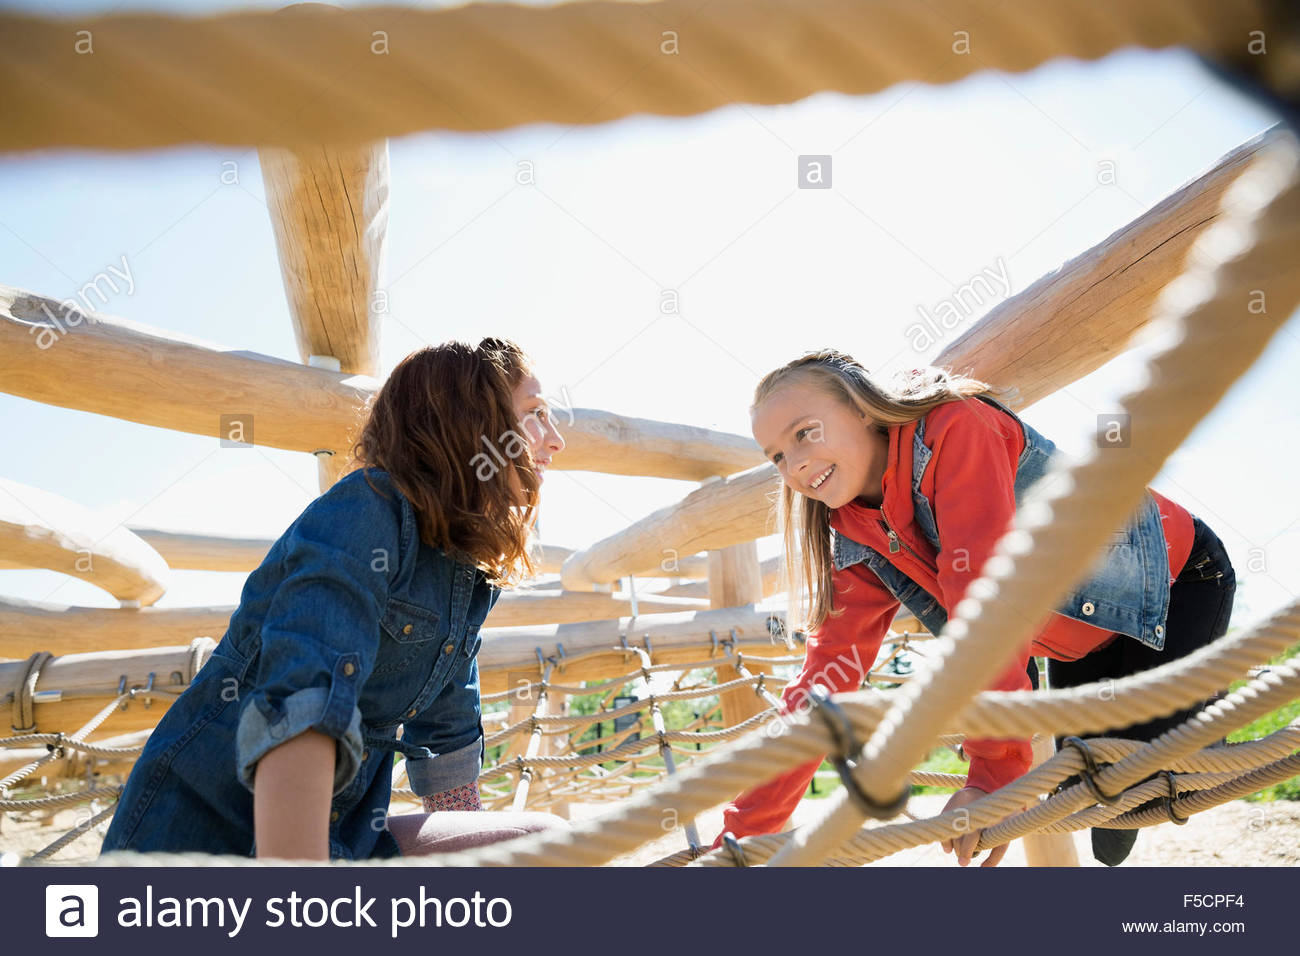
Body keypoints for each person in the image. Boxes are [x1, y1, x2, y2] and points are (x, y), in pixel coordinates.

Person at [713, 349, 1235, 866]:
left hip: (1175, 580)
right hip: (1078, 642)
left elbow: (983, 598)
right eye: (777, 456)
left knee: (1124, 792)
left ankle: (1206, 705)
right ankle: (1178, 727)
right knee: (1106, 823)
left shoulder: (955, 430)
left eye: (805, 432)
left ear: (862, 408)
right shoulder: (855, 533)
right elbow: (822, 683)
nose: (795, 464)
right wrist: (739, 842)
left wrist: (993, 772)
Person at [102, 338, 567, 860]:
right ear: (468, 421)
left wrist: (472, 857)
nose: (555, 441)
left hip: (346, 837)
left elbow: (448, 723)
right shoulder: (365, 510)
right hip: (214, 841)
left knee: (542, 848)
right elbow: (306, 695)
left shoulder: (466, 568)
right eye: (535, 414)